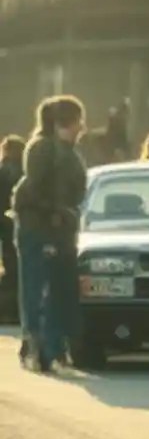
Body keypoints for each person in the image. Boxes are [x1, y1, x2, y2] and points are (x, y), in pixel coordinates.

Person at [13, 96, 88, 372]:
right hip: (42, 229)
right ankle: (40, 346)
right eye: (78, 120)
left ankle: (51, 347)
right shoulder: (44, 149)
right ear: (62, 123)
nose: (83, 126)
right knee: (41, 289)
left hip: (60, 229)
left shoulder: (66, 150)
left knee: (60, 289)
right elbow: (37, 188)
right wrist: (57, 212)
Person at [0, 135, 26, 323]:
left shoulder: (3, 171)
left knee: (9, 266)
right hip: (24, 224)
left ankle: (8, 311)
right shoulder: (26, 171)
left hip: (5, 225)